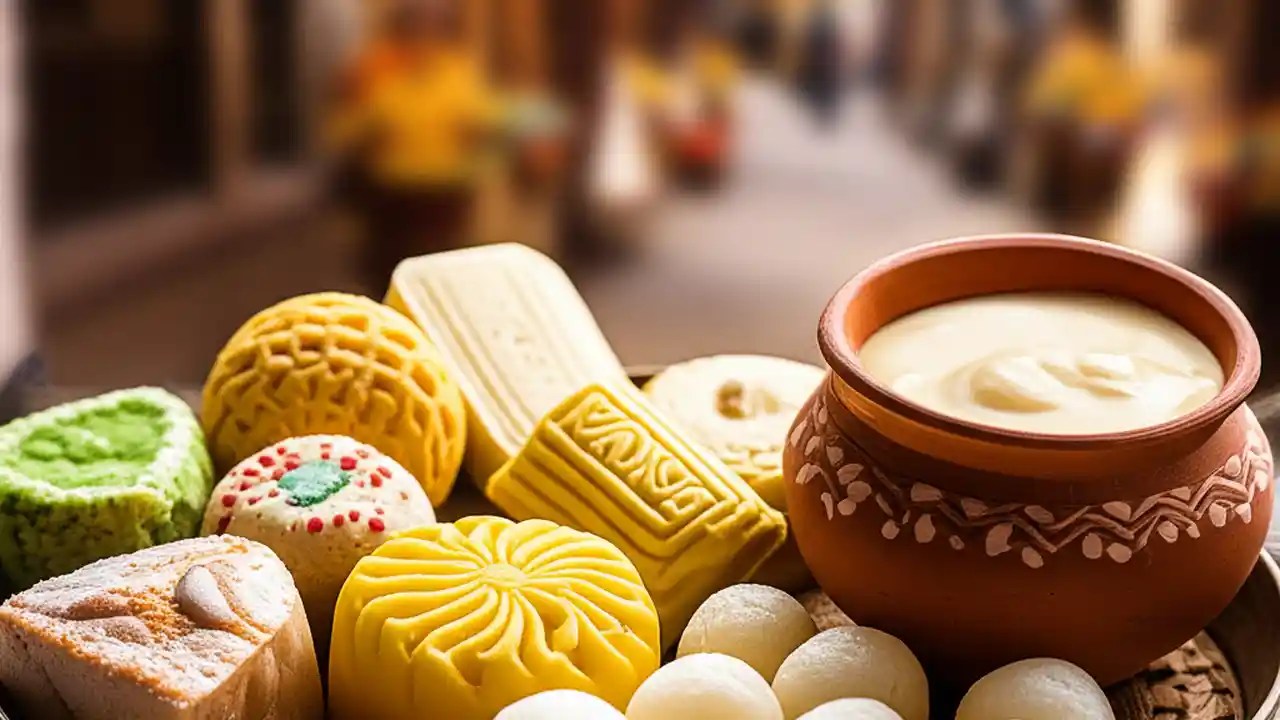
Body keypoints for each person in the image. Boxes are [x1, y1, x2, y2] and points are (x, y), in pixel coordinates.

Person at [329, 0, 502, 288]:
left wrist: (477, 132)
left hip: (445, 189)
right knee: (389, 268)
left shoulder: (458, 70)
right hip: (391, 190)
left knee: (440, 269)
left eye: (435, 29)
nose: (425, 38)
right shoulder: (375, 69)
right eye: (417, 28)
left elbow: (481, 118)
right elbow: (345, 129)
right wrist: (369, 129)